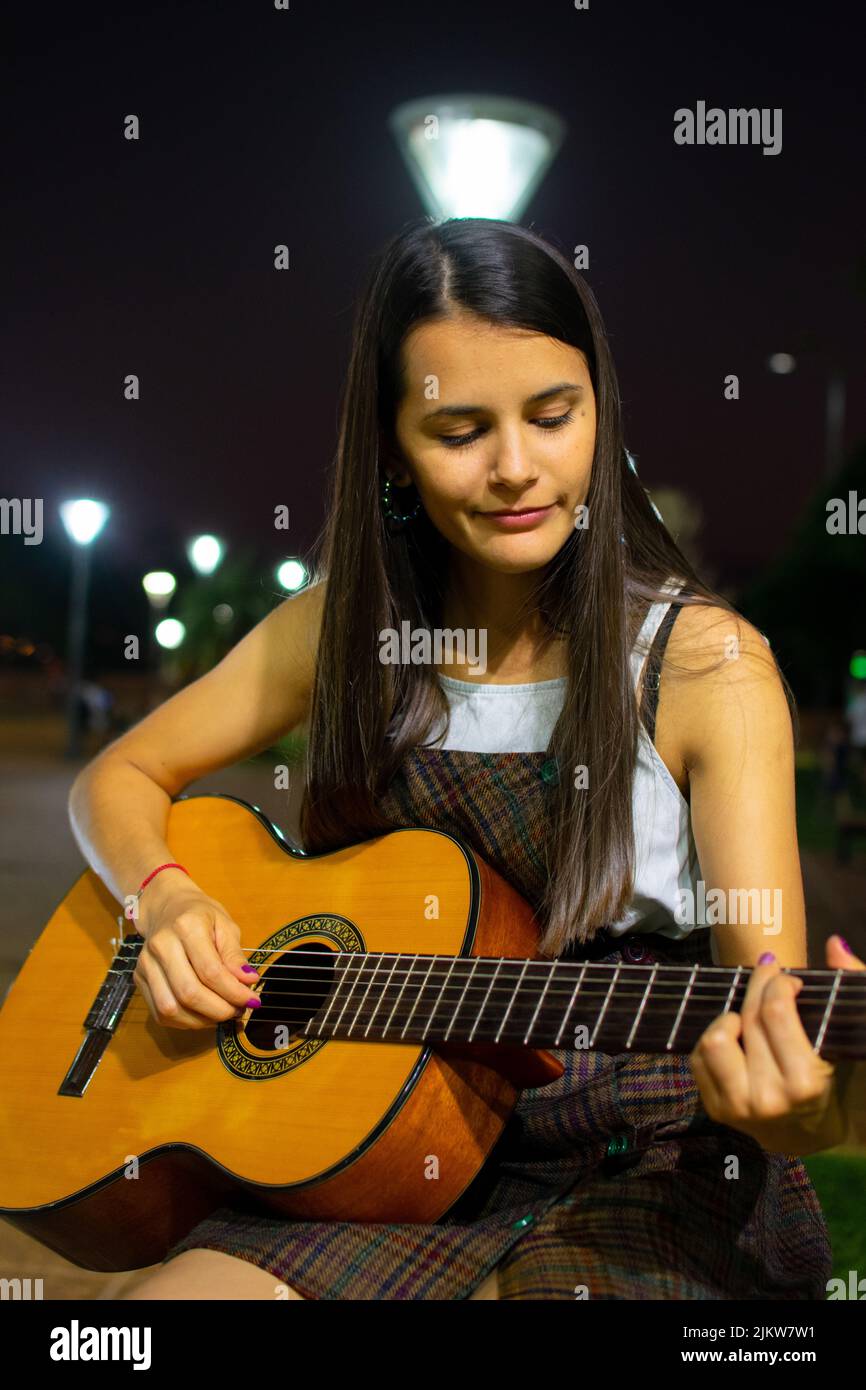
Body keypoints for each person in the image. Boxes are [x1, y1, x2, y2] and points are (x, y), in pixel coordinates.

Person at [69, 217, 865, 1301]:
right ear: (392, 441)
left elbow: (771, 1016)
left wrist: (801, 1101)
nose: (515, 469)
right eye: (457, 429)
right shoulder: (339, 635)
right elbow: (113, 777)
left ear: (598, 407)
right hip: (375, 1144)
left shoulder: (705, 666)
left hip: (639, 1165)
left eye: (552, 415)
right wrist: (160, 900)